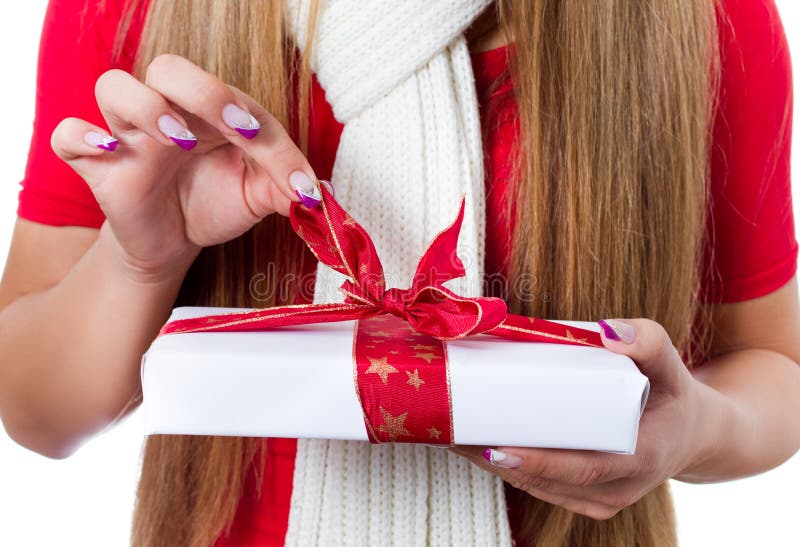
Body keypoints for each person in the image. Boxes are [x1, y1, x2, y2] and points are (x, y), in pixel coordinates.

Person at [1, 0, 799, 545]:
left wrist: (696, 426)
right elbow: (37, 412)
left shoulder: (701, 19)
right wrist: (142, 260)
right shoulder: (134, 11)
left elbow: (777, 368)